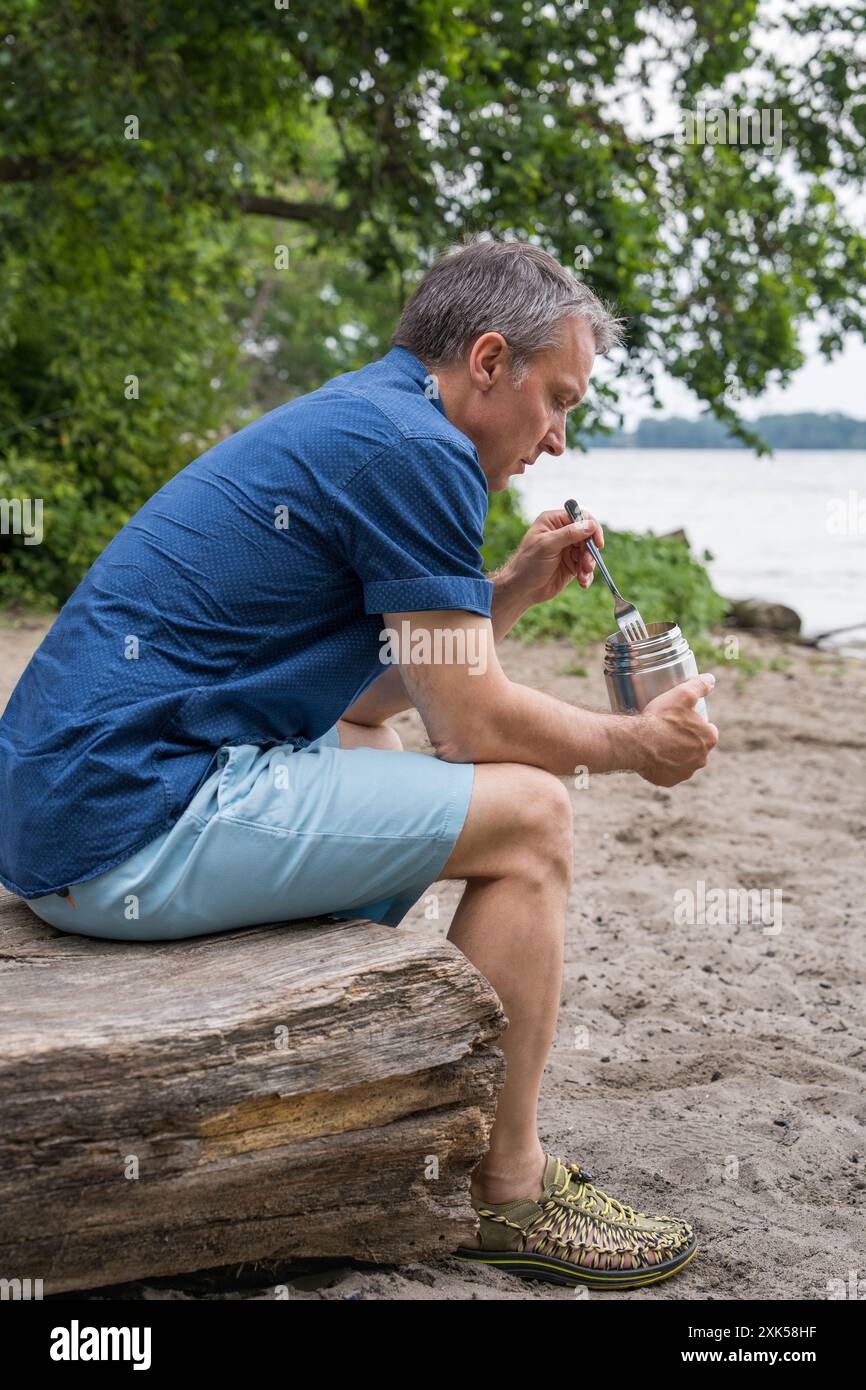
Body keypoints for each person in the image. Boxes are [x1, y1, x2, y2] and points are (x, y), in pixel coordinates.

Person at [0, 237, 719, 1290]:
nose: (557, 439)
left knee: (361, 740)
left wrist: (506, 590)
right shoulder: (417, 451)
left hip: (60, 813)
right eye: (555, 399)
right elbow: (470, 731)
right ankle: (503, 1191)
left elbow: (374, 699)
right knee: (532, 818)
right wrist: (632, 745)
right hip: (118, 826)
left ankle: (397, 1041)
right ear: (487, 361)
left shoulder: (371, 416)